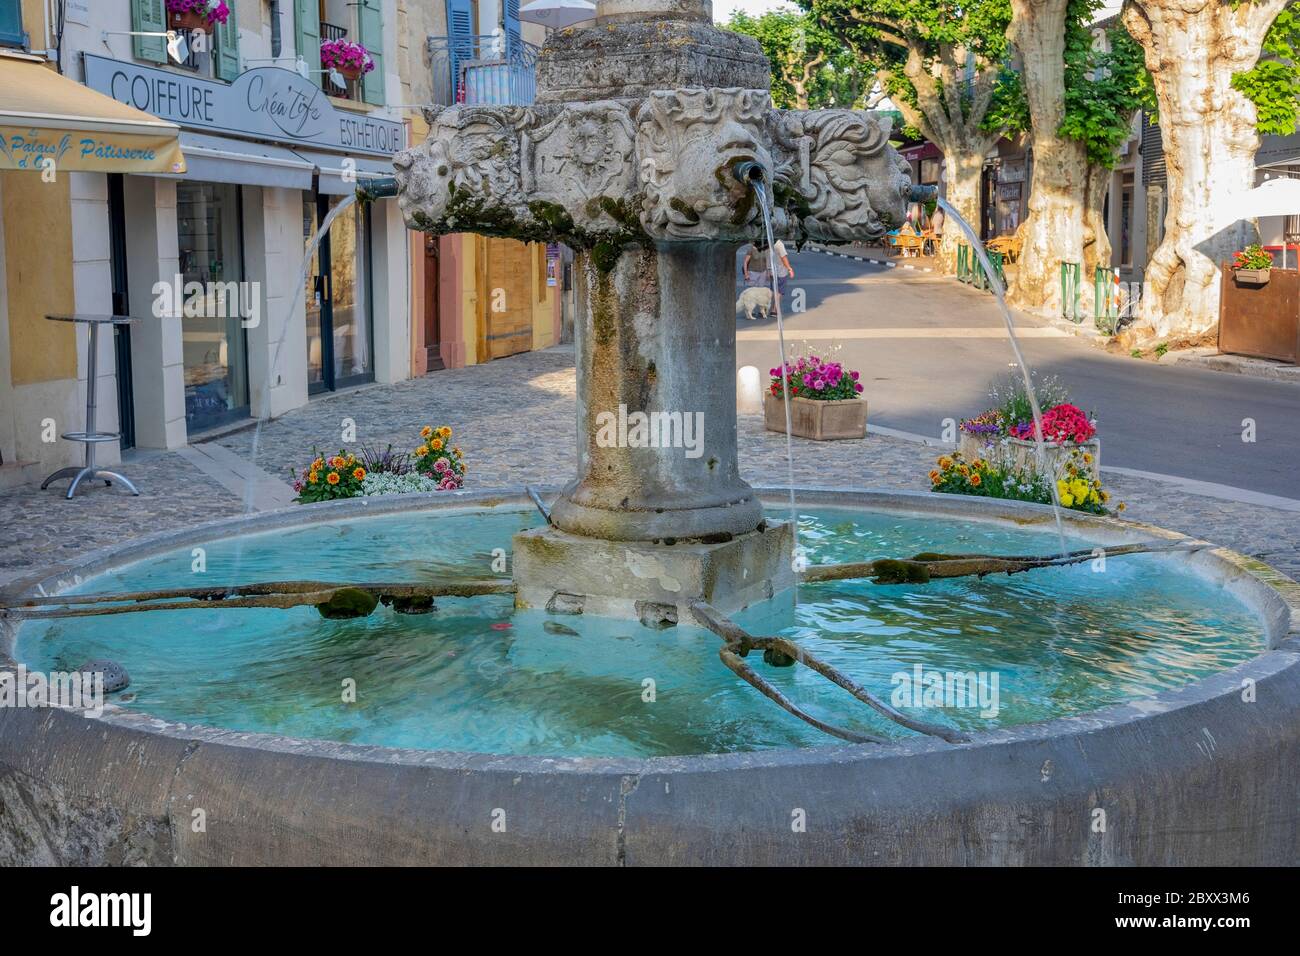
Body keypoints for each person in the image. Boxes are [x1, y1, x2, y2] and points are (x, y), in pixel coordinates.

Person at [741, 238, 795, 316]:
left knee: (767, 292)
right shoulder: (778, 244)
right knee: (777, 292)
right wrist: (789, 269)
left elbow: (768, 260)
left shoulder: (766, 247)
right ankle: (770, 310)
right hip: (773, 272)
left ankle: (763, 310)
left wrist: (768, 271)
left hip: (767, 272)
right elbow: (784, 258)